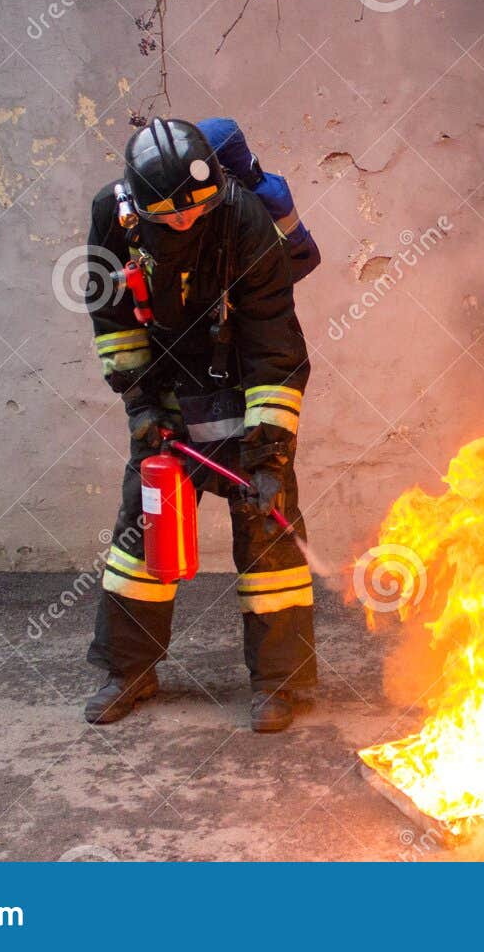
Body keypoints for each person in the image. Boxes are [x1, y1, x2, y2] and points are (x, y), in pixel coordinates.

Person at [80, 117, 321, 732]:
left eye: (197, 210)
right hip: (165, 395)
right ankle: (129, 670)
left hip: (243, 382)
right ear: (138, 203)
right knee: (143, 534)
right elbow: (113, 316)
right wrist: (141, 407)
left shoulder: (242, 218)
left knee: (268, 534)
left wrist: (267, 454)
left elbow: (274, 341)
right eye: (171, 215)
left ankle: (279, 684)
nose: (186, 221)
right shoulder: (113, 214)